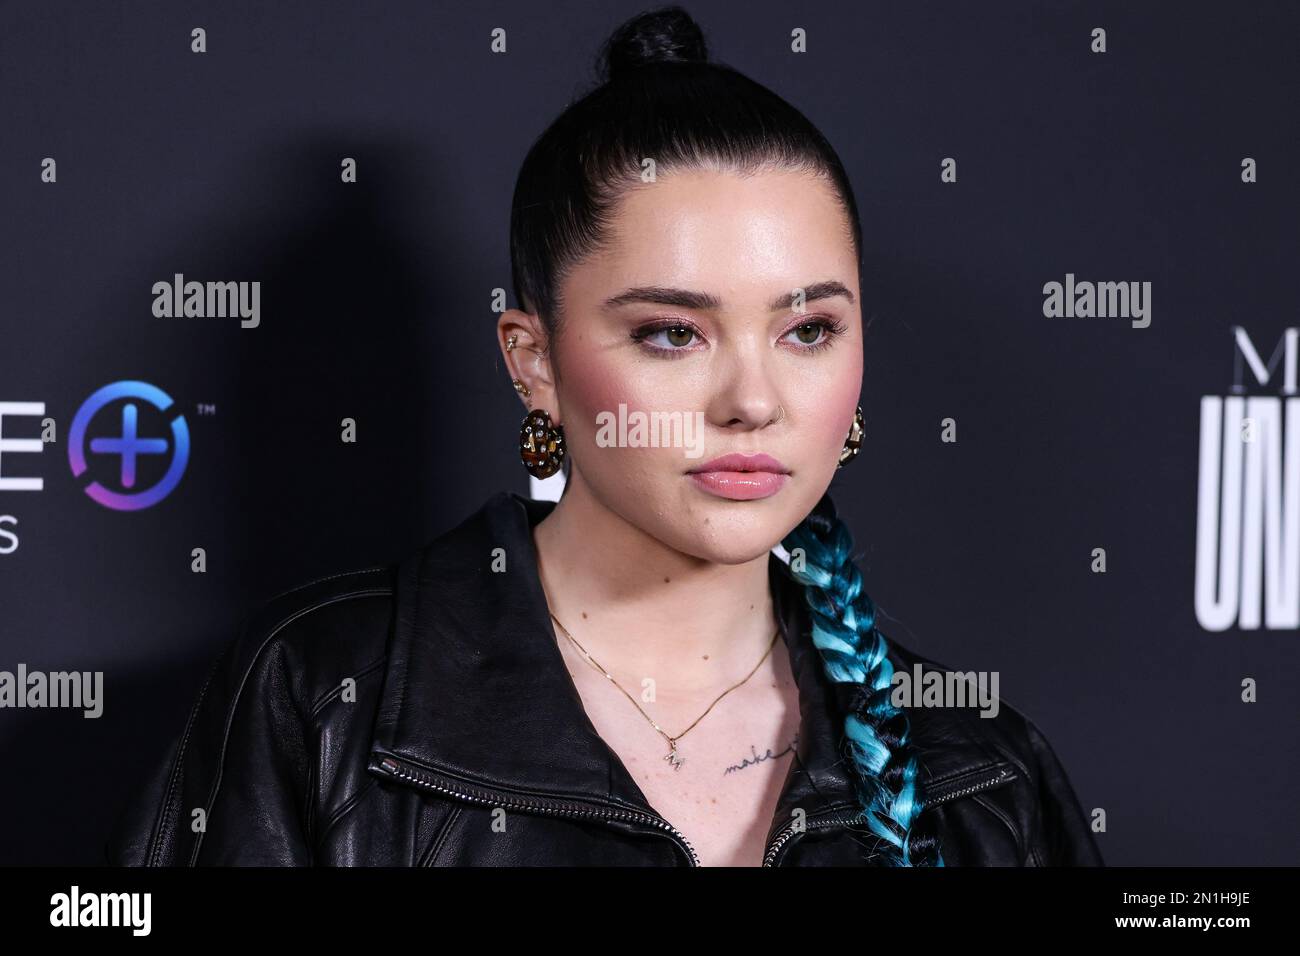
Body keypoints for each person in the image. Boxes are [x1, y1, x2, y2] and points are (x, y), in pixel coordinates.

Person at [105, 5, 1103, 867]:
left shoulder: (981, 776)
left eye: (807, 330)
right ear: (532, 359)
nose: (751, 399)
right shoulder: (322, 695)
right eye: (671, 331)